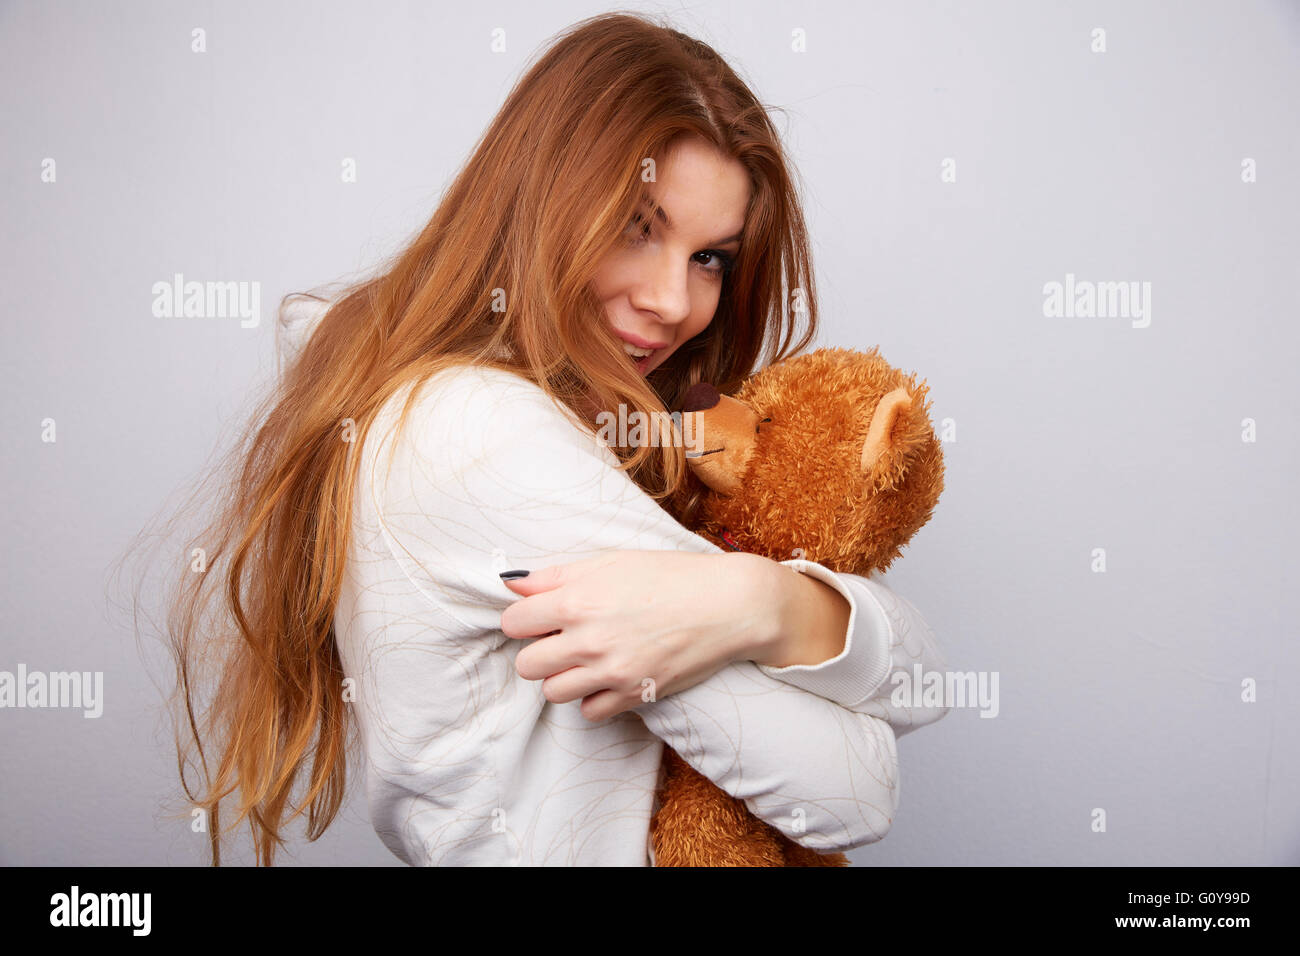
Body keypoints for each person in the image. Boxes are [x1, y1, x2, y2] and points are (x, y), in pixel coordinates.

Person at [159, 11, 949, 867]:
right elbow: (854, 792)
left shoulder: (477, 408)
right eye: (638, 225)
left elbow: (925, 683)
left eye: (710, 258)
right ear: (540, 200)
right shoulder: (475, 434)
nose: (674, 303)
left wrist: (759, 602)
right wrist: (765, 605)